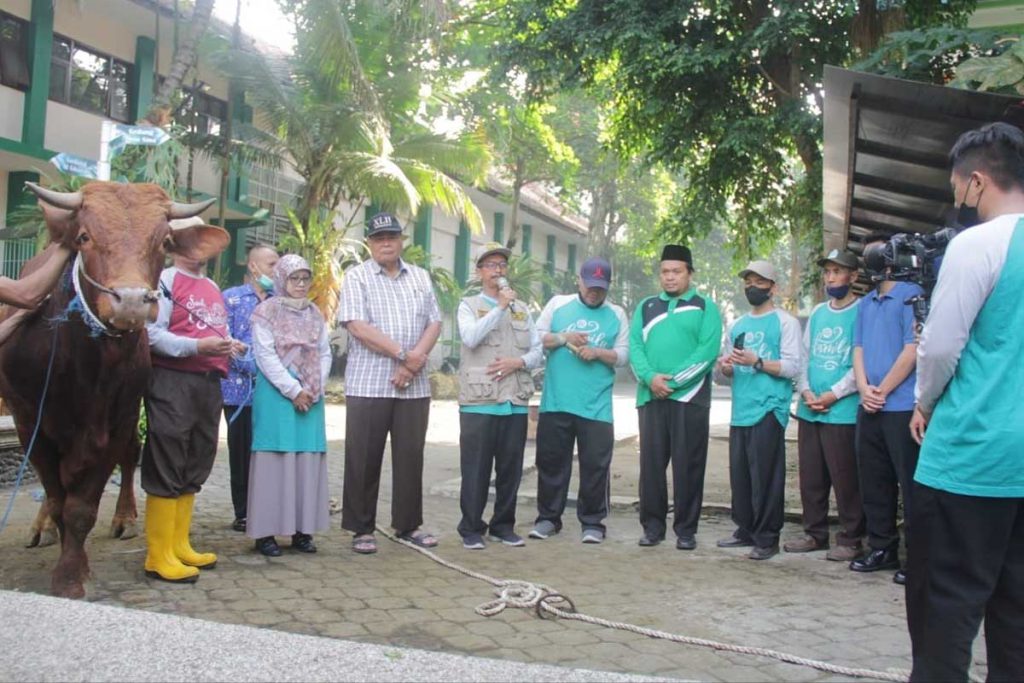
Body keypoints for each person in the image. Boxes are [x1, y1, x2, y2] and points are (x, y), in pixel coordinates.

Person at [905, 122, 1024, 682]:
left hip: (971, 459)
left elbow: (941, 347)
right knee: (1017, 617)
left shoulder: (977, 244)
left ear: (977, 182)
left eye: (957, 190)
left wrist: (924, 403)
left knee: (945, 611)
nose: (958, 203)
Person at [337, 212, 442, 554]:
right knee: (363, 457)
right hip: (368, 384)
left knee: (411, 457)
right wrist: (403, 355)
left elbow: (434, 323)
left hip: (414, 386)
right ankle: (361, 528)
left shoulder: (421, 277)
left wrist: (411, 366)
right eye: (379, 238)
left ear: (401, 241)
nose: (386, 243)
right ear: (369, 243)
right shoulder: (357, 277)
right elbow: (356, 325)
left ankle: (408, 525)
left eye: (392, 237)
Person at [143, 226, 242, 583]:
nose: (204, 247)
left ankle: (179, 544)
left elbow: (212, 330)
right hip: (173, 380)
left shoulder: (211, 286)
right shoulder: (166, 280)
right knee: (168, 453)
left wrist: (228, 344)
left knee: (197, 457)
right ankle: (158, 554)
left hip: (208, 381)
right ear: (178, 245)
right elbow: (151, 334)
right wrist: (197, 348)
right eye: (197, 240)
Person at [530, 257, 629, 544]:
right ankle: (548, 519)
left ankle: (593, 523)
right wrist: (564, 337)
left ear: (608, 286)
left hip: (596, 406)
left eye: (600, 288)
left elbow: (623, 356)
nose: (594, 292)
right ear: (579, 281)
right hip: (556, 402)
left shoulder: (617, 314)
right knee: (551, 463)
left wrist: (598, 353)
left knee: (595, 466)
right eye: (590, 285)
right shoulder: (558, 305)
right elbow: (536, 340)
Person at [630, 245, 722, 549]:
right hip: (650, 397)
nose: (670, 278)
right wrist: (650, 378)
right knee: (651, 467)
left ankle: (686, 530)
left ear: (690, 274)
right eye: (665, 272)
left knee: (689, 466)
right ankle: (652, 528)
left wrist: (674, 382)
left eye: (676, 271)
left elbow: (707, 352)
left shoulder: (705, 307)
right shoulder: (646, 307)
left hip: (690, 399)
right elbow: (635, 349)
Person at [456, 242, 543, 549]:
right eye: (491, 265)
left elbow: (537, 350)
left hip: (514, 402)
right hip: (480, 402)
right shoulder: (469, 305)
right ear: (480, 272)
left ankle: (503, 526)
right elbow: (470, 337)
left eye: (502, 266)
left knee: (510, 470)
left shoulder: (523, 311)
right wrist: (500, 307)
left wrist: (518, 362)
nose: (498, 271)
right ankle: (471, 528)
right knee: (476, 470)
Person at [247, 254, 332, 557]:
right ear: (282, 279)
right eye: (294, 278)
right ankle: (266, 534)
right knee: (275, 459)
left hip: (312, 397)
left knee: (306, 460)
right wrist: (293, 389)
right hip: (277, 395)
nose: (300, 285)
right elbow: (265, 355)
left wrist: (313, 386)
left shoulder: (315, 314)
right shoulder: (265, 312)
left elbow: (324, 352)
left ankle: (302, 531)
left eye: (305, 278)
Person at [850, 234, 922, 585]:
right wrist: (865, 389)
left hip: (901, 406)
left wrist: (882, 390)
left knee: (909, 484)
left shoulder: (911, 297)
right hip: (870, 406)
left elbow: (913, 349)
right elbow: (858, 350)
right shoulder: (864, 304)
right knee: (874, 481)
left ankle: (918, 556)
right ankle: (882, 547)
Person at [716, 260, 800, 560]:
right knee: (741, 475)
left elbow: (792, 367)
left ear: (773, 287)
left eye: (759, 281)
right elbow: (724, 370)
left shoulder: (785, 323)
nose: (752, 287)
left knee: (766, 476)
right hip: (741, 409)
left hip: (769, 408)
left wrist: (758, 362)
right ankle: (745, 529)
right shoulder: (737, 324)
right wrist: (725, 368)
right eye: (748, 281)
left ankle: (767, 536)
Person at [785, 249, 865, 561]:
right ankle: (814, 533)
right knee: (811, 478)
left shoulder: (862, 311)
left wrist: (833, 394)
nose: (831, 277)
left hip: (842, 411)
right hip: (810, 409)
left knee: (846, 479)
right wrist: (805, 391)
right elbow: (805, 357)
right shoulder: (818, 312)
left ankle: (851, 537)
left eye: (837, 271)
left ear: (853, 276)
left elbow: (861, 362)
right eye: (828, 272)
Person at [221, 245, 279, 532]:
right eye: (271, 264)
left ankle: (268, 507)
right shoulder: (230, 299)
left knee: (268, 453)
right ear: (254, 267)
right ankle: (243, 511)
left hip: (273, 392)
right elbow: (224, 338)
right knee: (241, 453)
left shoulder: (280, 301)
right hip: (237, 392)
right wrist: (243, 354)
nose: (276, 270)